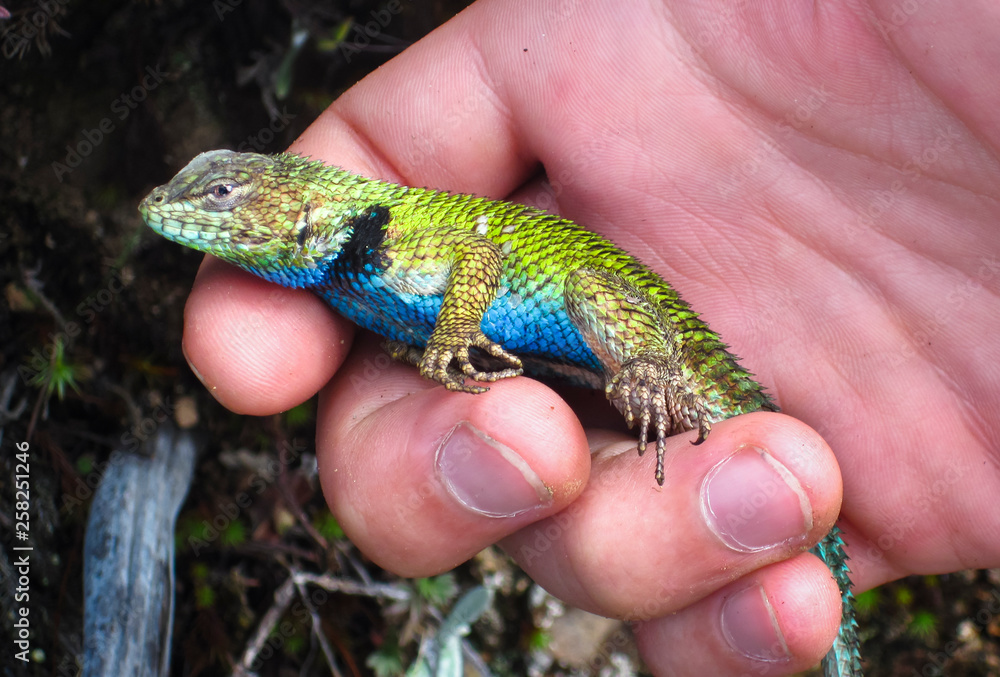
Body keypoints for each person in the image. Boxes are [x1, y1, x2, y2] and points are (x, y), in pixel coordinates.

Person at [178, 1, 1000, 673]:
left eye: (218, 195)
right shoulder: (349, 265)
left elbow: (477, 253)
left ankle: (649, 370)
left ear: (295, 211)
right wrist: (423, 338)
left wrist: (455, 332)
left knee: (604, 346)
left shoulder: (386, 230)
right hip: (563, 347)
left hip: (605, 308)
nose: (193, 212)